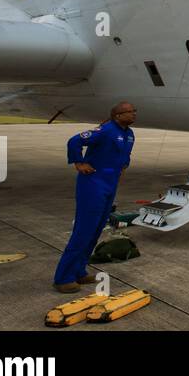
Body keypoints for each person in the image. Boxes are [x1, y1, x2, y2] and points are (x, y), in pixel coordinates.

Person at [52, 102, 137, 292]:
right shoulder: (104, 131)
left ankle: (79, 271)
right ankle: (63, 278)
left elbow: (125, 155)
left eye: (134, 111)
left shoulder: (129, 134)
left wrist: (124, 166)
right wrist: (79, 162)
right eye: (129, 112)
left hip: (110, 184)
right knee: (84, 231)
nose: (134, 114)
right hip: (93, 183)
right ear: (117, 115)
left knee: (96, 230)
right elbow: (74, 141)